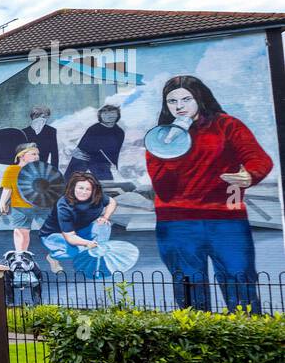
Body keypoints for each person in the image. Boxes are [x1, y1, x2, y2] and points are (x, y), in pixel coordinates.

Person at [145, 75, 272, 312]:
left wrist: (251, 175)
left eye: (186, 99)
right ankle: (197, 342)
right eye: (172, 101)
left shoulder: (227, 125)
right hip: (176, 223)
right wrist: (172, 146)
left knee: (239, 279)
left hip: (226, 219)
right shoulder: (159, 137)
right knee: (189, 286)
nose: (179, 106)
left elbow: (258, 158)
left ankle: (246, 340)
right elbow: (163, 186)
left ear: (200, 98)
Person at [39, 171, 117, 274]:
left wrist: (105, 217)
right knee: (75, 251)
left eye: (88, 189)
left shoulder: (97, 197)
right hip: (54, 235)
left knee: (104, 226)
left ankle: (97, 259)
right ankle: (52, 257)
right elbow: (70, 237)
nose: (84, 192)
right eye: (80, 188)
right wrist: (87, 243)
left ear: (93, 190)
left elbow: (112, 202)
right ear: (73, 188)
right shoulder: (64, 205)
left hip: (80, 230)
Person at [0, 143, 47, 256]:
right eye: (33, 154)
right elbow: (7, 189)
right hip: (20, 207)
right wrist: (2, 203)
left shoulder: (40, 170)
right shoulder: (12, 170)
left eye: (38, 154)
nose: (37, 157)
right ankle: (21, 256)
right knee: (22, 232)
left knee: (50, 232)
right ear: (22, 156)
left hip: (40, 207)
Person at [65, 104, 125, 182]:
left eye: (113, 113)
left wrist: (114, 164)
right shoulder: (93, 129)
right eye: (105, 113)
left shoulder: (119, 132)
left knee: (106, 183)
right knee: (70, 179)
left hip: (102, 162)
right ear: (100, 116)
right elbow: (82, 146)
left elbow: (115, 152)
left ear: (117, 115)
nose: (109, 116)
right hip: (84, 157)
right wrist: (76, 153)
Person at [21, 104, 58, 172]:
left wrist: (55, 172)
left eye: (45, 117)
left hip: (43, 169)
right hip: (27, 169)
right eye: (42, 117)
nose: (44, 120)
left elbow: (54, 154)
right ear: (34, 117)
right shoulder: (24, 132)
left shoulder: (51, 131)